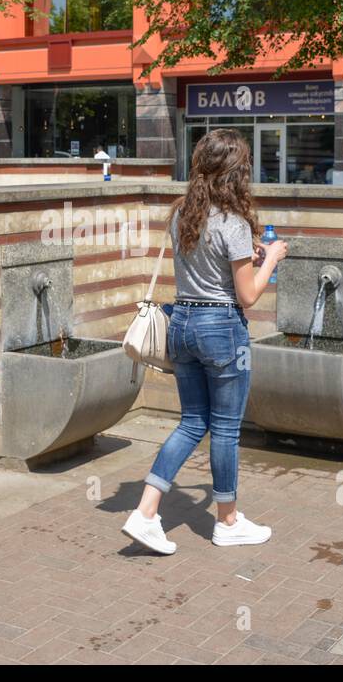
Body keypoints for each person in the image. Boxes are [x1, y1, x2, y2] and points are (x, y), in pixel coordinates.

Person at [121, 129, 288, 554]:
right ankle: (228, 521)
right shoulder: (232, 221)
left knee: (193, 422)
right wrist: (270, 258)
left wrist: (245, 258)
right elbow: (247, 295)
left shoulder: (182, 214)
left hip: (182, 324)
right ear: (237, 172)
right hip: (221, 330)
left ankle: (145, 512)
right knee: (227, 430)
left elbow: (205, 267)